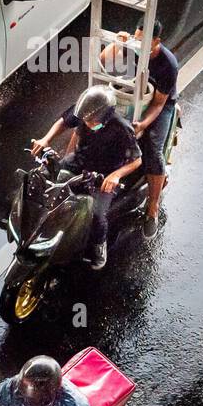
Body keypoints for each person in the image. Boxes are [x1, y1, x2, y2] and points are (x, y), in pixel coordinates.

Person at [31, 85, 142, 270]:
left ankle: (99, 247)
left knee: (97, 214)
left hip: (103, 175)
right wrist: (46, 139)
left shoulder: (121, 127)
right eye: (85, 120)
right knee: (50, 186)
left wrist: (115, 175)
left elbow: (136, 160)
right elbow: (63, 122)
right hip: (78, 163)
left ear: (105, 115)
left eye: (92, 121)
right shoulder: (83, 112)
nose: (87, 123)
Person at [99, 21, 179, 237]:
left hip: (158, 105)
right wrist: (117, 44)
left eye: (144, 41)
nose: (138, 44)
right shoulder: (131, 48)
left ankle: (152, 208)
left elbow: (159, 103)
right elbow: (103, 62)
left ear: (156, 42)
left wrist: (143, 124)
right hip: (132, 94)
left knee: (152, 149)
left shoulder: (167, 65)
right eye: (137, 38)